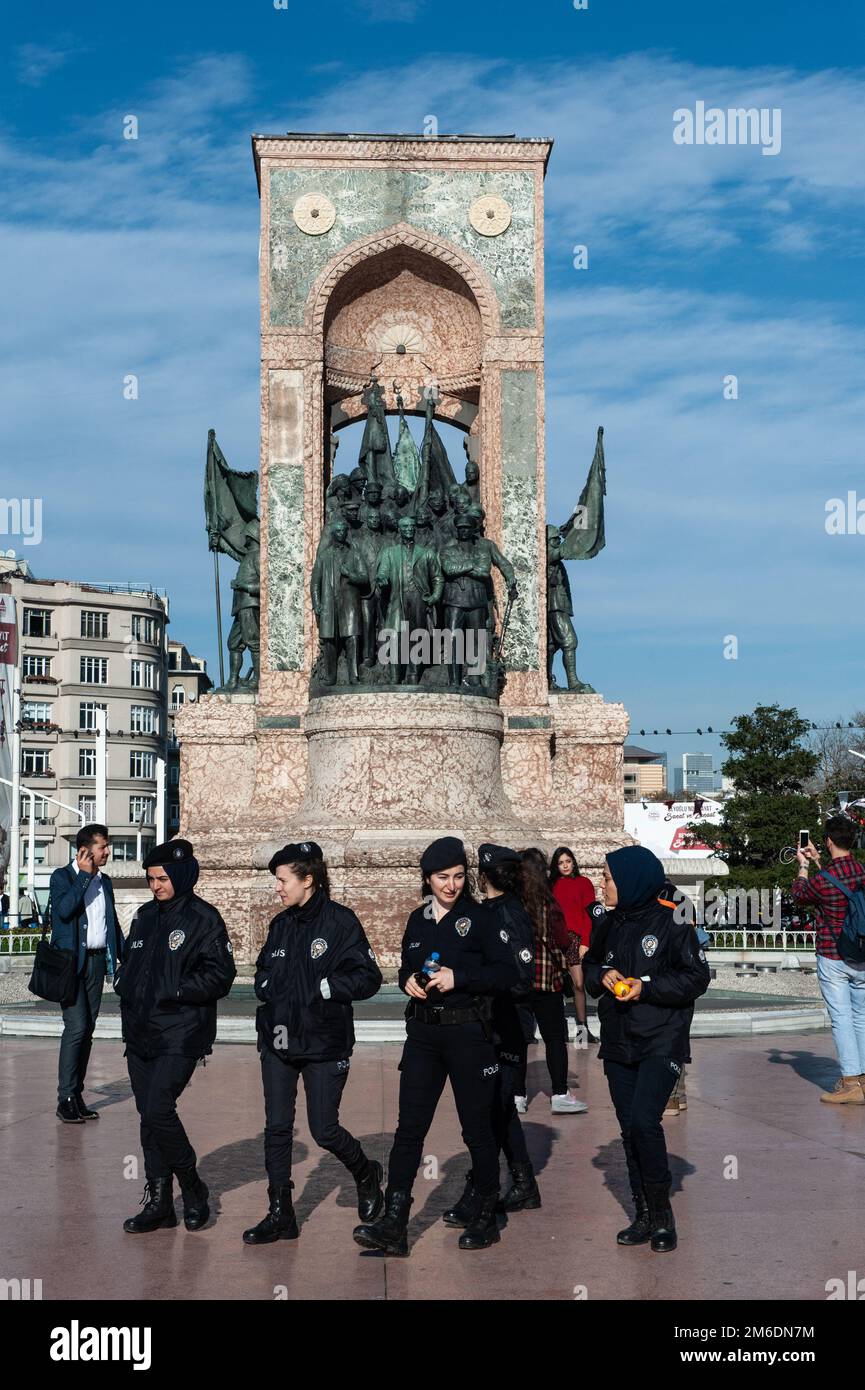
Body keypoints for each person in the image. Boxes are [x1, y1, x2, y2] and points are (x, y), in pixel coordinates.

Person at [353, 837, 518, 1256]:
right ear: (427, 879)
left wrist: (459, 978)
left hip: (468, 1036)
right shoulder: (417, 919)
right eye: (443, 877)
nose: (452, 885)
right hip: (424, 1037)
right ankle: (395, 1221)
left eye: (459, 877)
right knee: (409, 1130)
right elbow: (408, 964)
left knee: (477, 1129)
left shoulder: (480, 919)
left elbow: (505, 973)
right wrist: (407, 979)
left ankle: (485, 1211)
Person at [244, 842, 384, 1245]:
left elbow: (368, 978)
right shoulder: (281, 924)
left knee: (323, 1129)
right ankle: (280, 1212)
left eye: (283, 880)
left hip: (324, 1042)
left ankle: (365, 1171)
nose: (278, 888)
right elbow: (264, 970)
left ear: (308, 880)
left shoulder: (342, 923)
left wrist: (327, 986)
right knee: (277, 1128)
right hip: (278, 1039)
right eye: (276, 881)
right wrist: (268, 988)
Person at [583, 846, 710, 1253]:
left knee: (644, 1122)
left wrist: (647, 987)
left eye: (608, 877)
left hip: (662, 1037)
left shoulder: (673, 916)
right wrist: (601, 974)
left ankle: (662, 1216)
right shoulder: (609, 922)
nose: (603, 884)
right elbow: (588, 968)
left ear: (631, 879)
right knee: (627, 1129)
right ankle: (641, 1214)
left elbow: (696, 977)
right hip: (619, 1039)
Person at [115, 839, 236, 1234]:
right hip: (140, 1032)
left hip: (181, 1032)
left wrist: (177, 990)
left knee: (157, 1109)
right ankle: (160, 1202)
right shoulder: (144, 916)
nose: (155, 886)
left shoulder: (204, 919)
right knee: (148, 1117)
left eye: (162, 878)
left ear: (182, 876)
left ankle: (193, 1188)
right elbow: (131, 962)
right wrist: (123, 981)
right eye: (150, 879)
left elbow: (220, 975)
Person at [451, 842, 541, 1221]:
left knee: (491, 1110)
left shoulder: (511, 914)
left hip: (507, 1024)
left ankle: (486, 1185)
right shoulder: (483, 912)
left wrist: (482, 982)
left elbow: (521, 977)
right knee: (496, 1109)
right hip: (485, 1024)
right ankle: (521, 1183)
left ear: (483, 875)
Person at [50, 824, 125, 1124]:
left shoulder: (104, 881)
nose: (107, 851)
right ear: (84, 850)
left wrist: (126, 958)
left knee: (87, 1030)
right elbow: (64, 912)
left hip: (96, 963)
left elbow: (112, 924)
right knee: (76, 1027)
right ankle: (65, 1097)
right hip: (70, 965)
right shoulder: (62, 877)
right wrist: (83, 877)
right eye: (102, 846)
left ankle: (76, 1094)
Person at [792, 814, 865, 1104]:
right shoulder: (861, 871)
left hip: (833, 955)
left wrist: (803, 865)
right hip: (861, 954)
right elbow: (841, 884)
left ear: (829, 841)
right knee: (861, 1017)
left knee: (841, 1019)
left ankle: (850, 1083)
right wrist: (822, 861)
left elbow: (801, 893)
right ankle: (862, 1078)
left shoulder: (822, 881)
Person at [513, 848, 587, 1115]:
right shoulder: (549, 904)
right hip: (547, 981)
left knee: (518, 1040)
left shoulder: (513, 905)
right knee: (554, 1039)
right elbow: (564, 941)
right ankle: (559, 1093)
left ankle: (517, 1096)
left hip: (519, 982)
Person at [550, 845, 599, 1044]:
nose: (565, 866)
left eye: (568, 861)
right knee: (555, 986)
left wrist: (585, 942)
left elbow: (589, 917)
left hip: (574, 939)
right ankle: (558, 1030)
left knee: (579, 984)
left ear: (573, 862)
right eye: (561, 863)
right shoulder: (550, 885)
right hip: (553, 938)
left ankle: (582, 1032)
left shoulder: (584, 883)